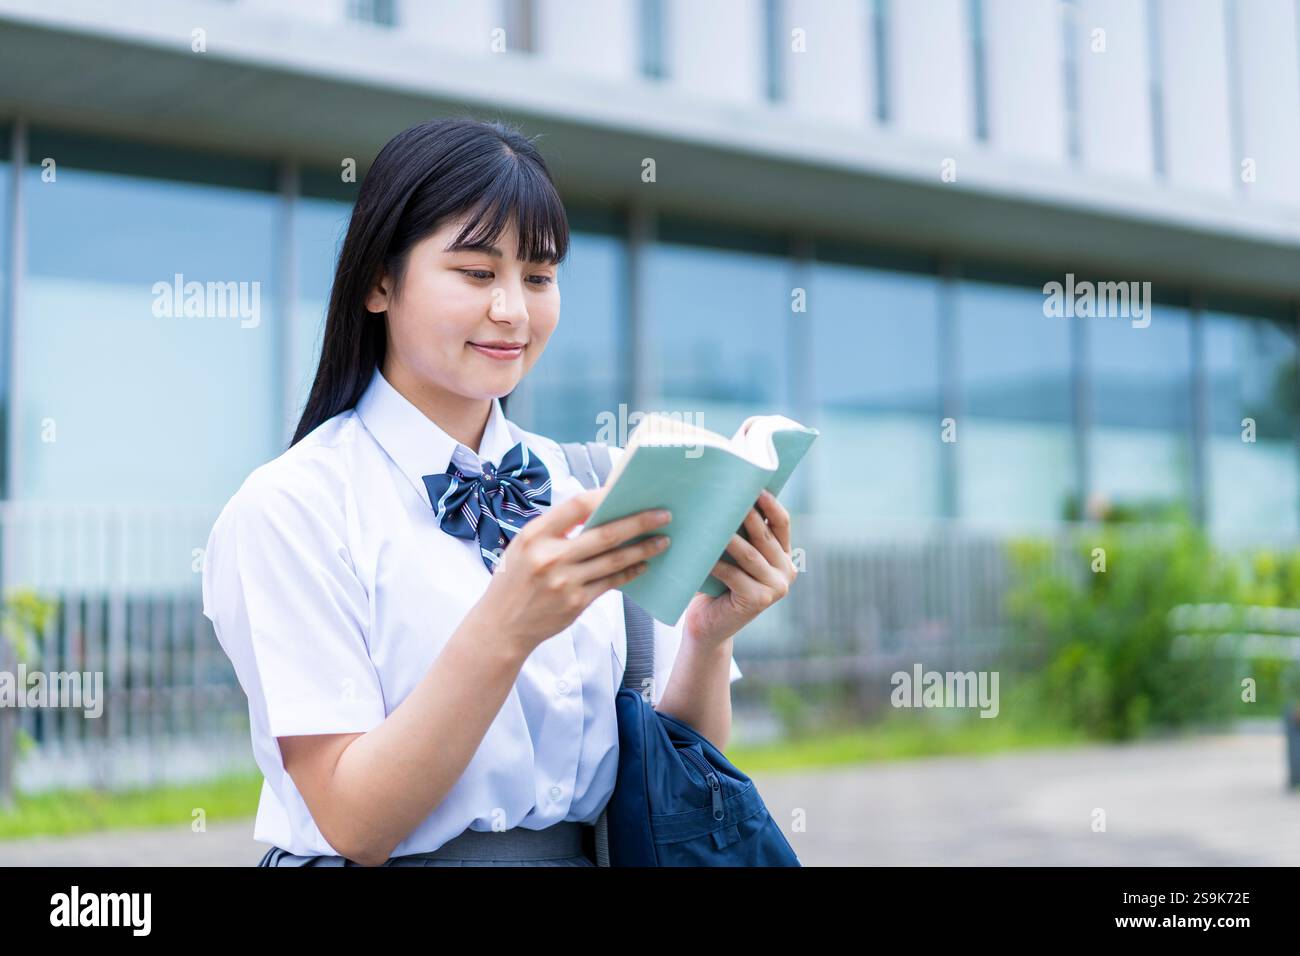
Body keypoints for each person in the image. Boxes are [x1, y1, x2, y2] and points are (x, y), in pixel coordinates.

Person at [201, 117, 800, 867]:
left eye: (539, 277)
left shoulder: (594, 481)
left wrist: (711, 635)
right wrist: (507, 627)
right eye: (478, 274)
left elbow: (679, 772)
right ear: (379, 281)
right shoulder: (293, 509)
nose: (513, 310)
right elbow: (355, 823)